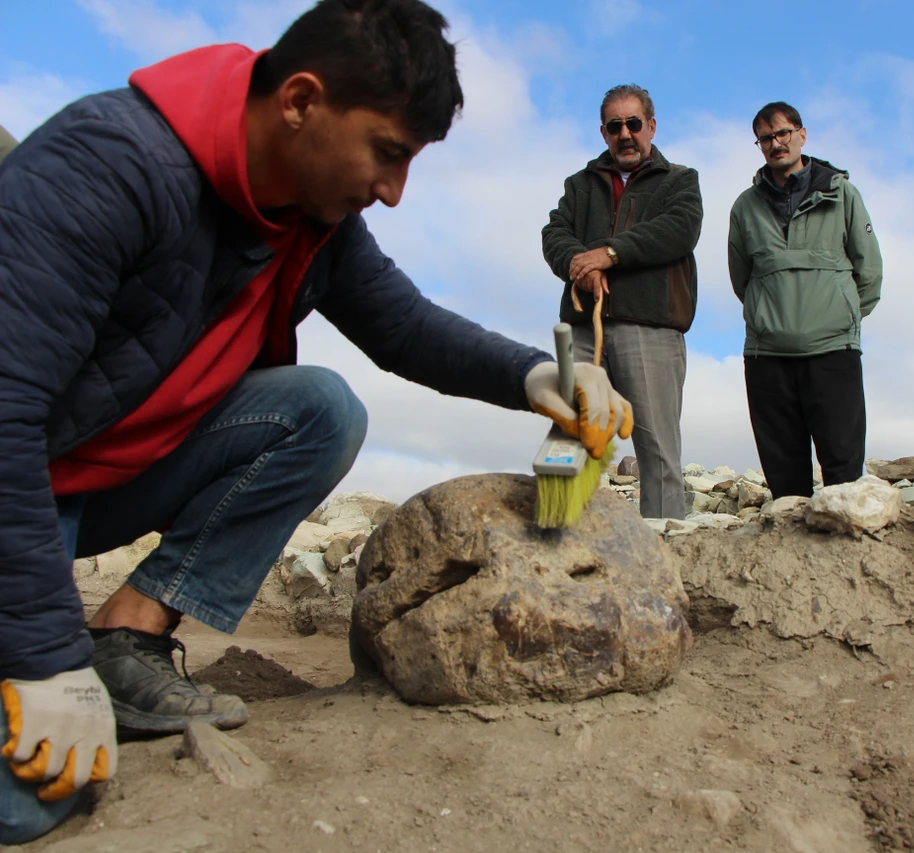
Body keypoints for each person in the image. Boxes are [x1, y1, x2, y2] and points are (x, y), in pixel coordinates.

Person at [0, 0, 632, 844]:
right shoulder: (110, 165)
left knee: (319, 410)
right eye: (388, 153)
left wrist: (535, 375)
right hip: (24, 484)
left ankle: (125, 640)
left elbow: (404, 325)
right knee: (32, 795)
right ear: (300, 101)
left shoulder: (313, 217)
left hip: (101, 481)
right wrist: (43, 658)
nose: (393, 192)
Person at [541, 84, 703, 519]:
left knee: (657, 449)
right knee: (568, 436)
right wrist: (579, 265)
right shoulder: (579, 185)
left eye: (633, 123)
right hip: (583, 329)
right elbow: (554, 234)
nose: (625, 134)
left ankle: (664, 547)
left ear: (651, 126)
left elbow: (679, 229)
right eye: (615, 126)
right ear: (604, 132)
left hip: (651, 328)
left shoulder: (680, 180)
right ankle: (558, 534)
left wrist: (609, 254)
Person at [727, 101, 883, 499]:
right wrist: (769, 317)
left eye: (782, 133)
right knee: (785, 481)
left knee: (844, 474)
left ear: (801, 134)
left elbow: (869, 271)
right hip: (767, 356)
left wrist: (839, 316)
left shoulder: (843, 194)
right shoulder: (745, 206)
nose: (775, 143)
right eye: (765, 138)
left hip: (833, 350)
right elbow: (743, 279)